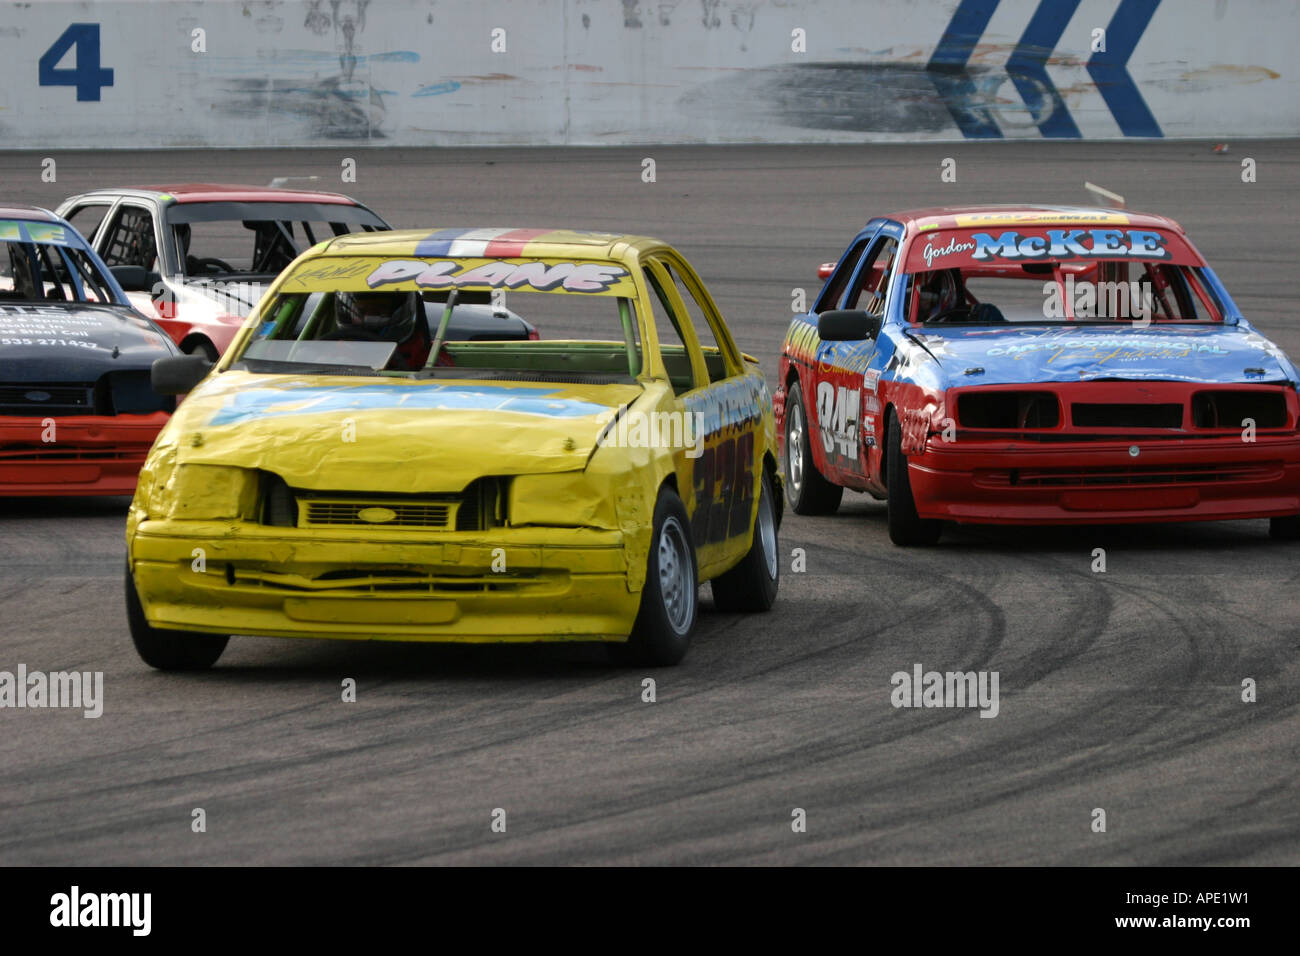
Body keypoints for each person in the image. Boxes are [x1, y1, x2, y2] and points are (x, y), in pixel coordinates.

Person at [333, 290, 431, 368]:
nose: (369, 317)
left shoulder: (428, 357)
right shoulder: (334, 349)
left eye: (379, 311)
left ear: (397, 313)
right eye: (362, 311)